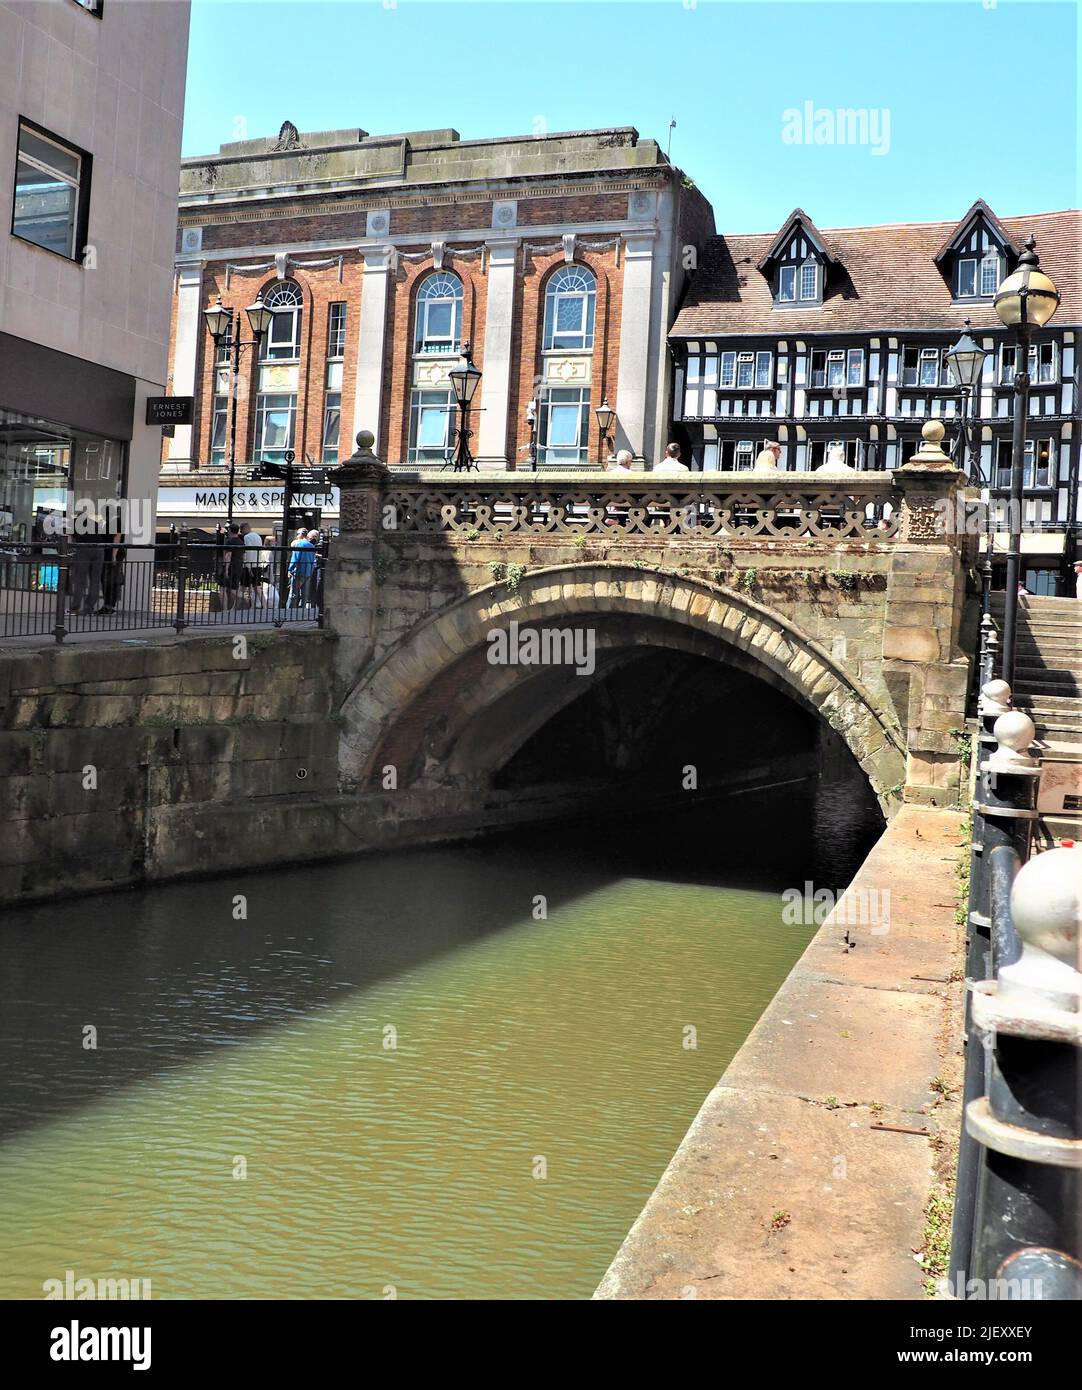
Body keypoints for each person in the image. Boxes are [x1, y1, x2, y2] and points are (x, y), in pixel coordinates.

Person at [287, 529, 317, 609]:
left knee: (294, 594)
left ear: (301, 534)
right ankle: (303, 611)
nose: (297, 535)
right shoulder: (311, 545)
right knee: (304, 594)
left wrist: (290, 569)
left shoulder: (299, 544)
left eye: (297, 534)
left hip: (298, 571)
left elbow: (295, 559)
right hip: (308, 572)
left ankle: (291, 611)